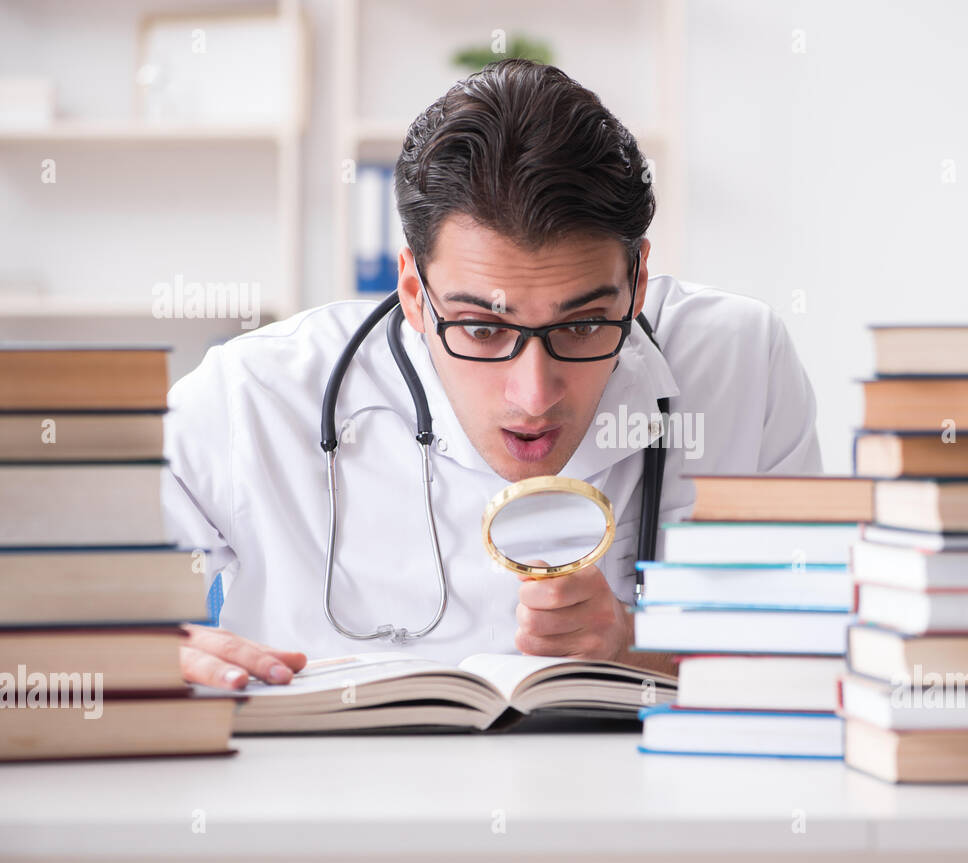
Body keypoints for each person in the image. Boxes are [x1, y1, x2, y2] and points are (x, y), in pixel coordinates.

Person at [164, 58, 822, 689]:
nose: (533, 395)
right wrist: (136, 647)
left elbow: (817, 655)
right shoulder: (253, 394)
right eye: (483, 328)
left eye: (582, 324)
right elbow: (70, 604)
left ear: (638, 282)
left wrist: (638, 644)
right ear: (415, 294)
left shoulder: (742, 363)